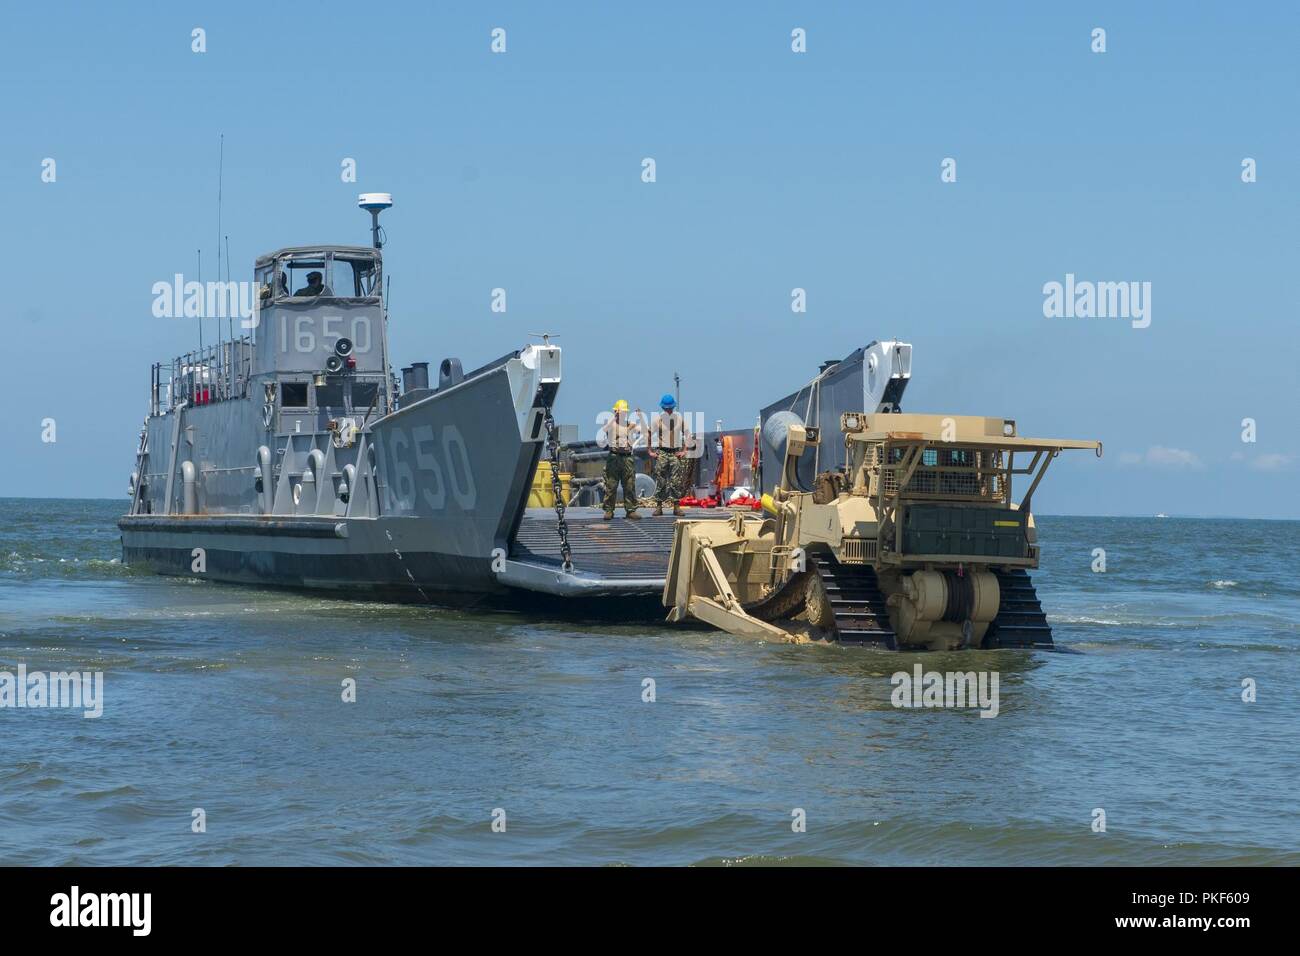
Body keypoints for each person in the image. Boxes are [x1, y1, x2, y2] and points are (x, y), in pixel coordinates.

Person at [599, 399, 646, 520]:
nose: (622, 414)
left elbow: (644, 431)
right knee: (611, 485)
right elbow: (604, 430)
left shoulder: (630, 425)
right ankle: (609, 510)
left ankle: (631, 510)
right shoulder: (611, 424)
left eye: (624, 412)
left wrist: (640, 417)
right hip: (614, 457)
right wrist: (614, 417)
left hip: (627, 458)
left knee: (629, 485)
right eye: (620, 412)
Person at [649, 393, 693, 516]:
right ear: (663, 408)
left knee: (676, 481)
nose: (668, 410)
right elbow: (648, 433)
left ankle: (676, 507)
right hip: (662, 452)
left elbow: (688, 434)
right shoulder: (658, 420)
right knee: (661, 480)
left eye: (670, 408)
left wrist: (684, 450)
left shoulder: (679, 419)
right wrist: (650, 451)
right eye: (666, 408)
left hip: (675, 453)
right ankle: (659, 507)